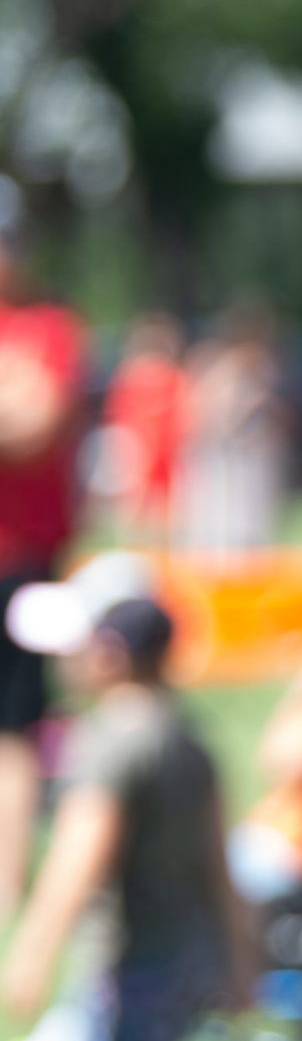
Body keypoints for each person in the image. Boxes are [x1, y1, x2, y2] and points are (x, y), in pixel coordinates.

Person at [0, 556, 277, 1041]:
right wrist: (242, 954)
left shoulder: (110, 744)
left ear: (110, 653)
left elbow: (81, 852)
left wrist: (32, 947)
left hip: (132, 957)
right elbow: (224, 864)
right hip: (186, 950)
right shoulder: (187, 737)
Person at [0, 216, 87, 925]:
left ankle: (6, 887)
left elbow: (37, 425)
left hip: (24, 558)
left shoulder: (48, 328)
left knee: (17, 726)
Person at [177, 302, 293, 558]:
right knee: (215, 535)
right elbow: (202, 418)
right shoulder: (217, 367)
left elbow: (284, 422)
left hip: (251, 469)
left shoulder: (265, 369)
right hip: (219, 467)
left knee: (250, 535)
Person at [102, 311, 192, 546]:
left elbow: (186, 417)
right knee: (134, 508)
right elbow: (119, 419)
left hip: (167, 455)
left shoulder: (175, 379)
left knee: (167, 512)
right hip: (138, 453)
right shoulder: (129, 379)